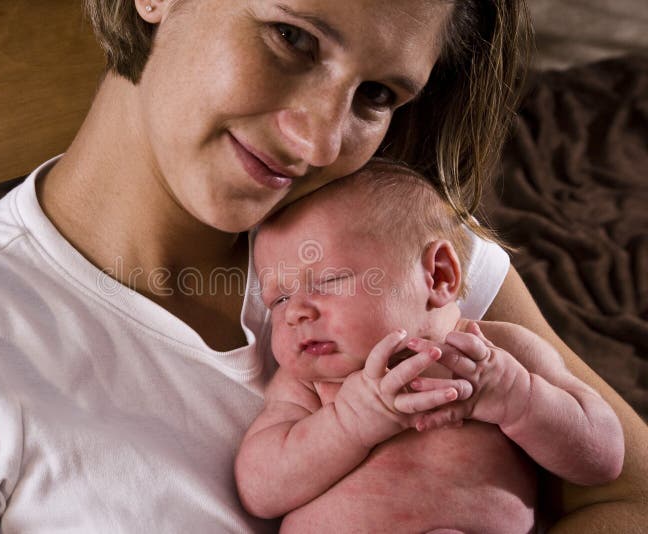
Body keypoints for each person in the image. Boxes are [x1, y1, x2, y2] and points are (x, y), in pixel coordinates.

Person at [0, 0, 645, 532]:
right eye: (292, 38)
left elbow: (626, 491)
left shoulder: (395, 252)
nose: (319, 142)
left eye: (375, 94)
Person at [235, 161, 624, 532]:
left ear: (438, 276)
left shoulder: (500, 352)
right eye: (278, 300)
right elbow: (259, 490)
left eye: (329, 280)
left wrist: (519, 399)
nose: (295, 313)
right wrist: (346, 424)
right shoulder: (310, 385)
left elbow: (604, 457)